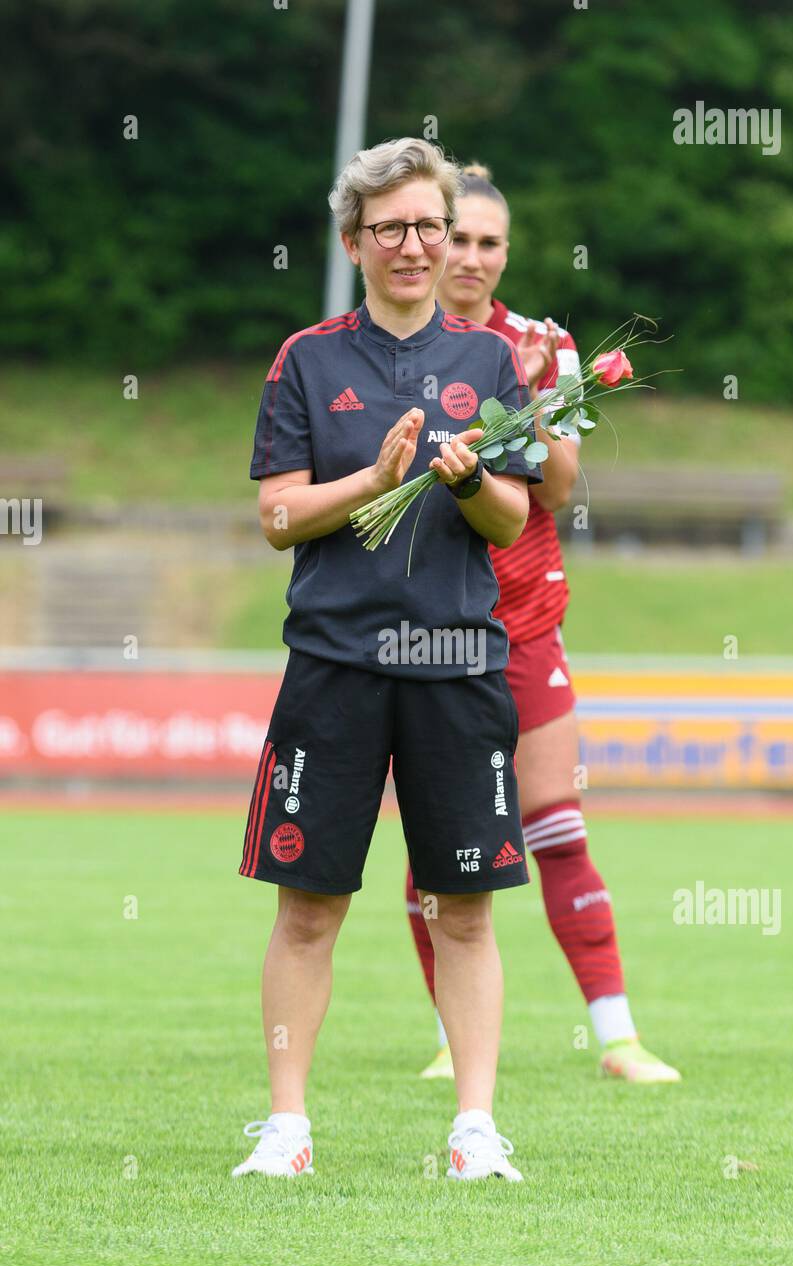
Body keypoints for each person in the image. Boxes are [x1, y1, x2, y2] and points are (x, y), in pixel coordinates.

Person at [232, 138, 546, 1184]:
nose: (413, 246)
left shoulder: (491, 363)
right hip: (335, 663)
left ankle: (473, 1128)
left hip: (458, 666)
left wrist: (464, 480)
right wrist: (373, 476)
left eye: (429, 226)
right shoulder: (306, 359)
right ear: (352, 241)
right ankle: (286, 1127)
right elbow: (278, 517)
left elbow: (510, 522)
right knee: (309, 904)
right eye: (391, 229)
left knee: (463, 908)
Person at [406, 165, 681, 1085]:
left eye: (490, 244)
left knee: (556, 825)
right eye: (458, 239)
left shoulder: (543, 343)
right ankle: (453, 1037)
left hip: (522, 617)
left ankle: (617, 1037)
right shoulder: (397, 342)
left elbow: (556, 489)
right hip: (422, 621)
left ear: (505, 253)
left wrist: (527, 400)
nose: (470, 259)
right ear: (428, 239)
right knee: (435, 842)